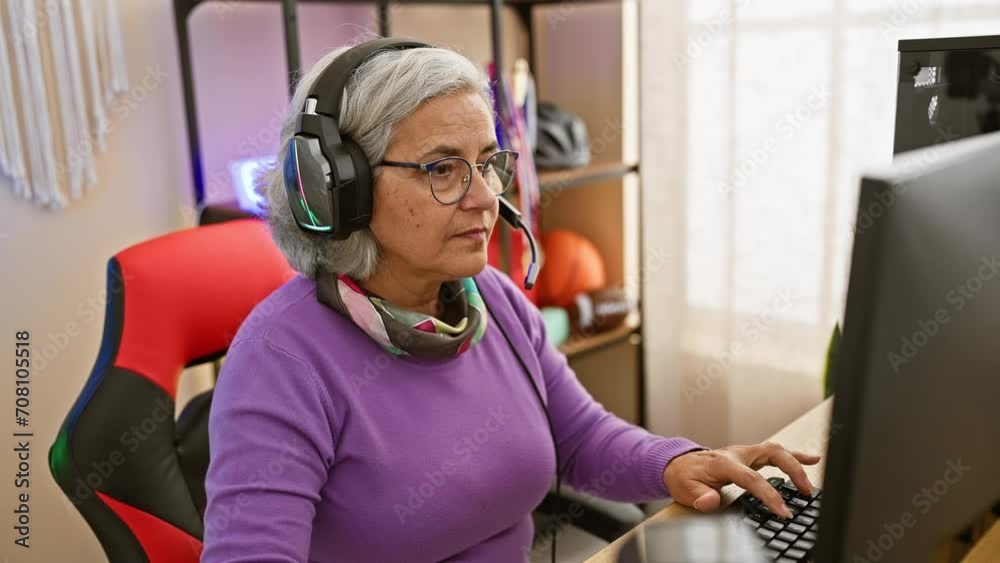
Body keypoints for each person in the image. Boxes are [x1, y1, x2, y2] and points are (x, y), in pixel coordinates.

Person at [201, 39, 820, 563]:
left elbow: (578, 437)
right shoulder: (281, 359)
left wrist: (679, 462)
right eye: (443, 168)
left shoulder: (490, 300)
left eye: (488, 162)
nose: (486, 198)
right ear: (342, 189)